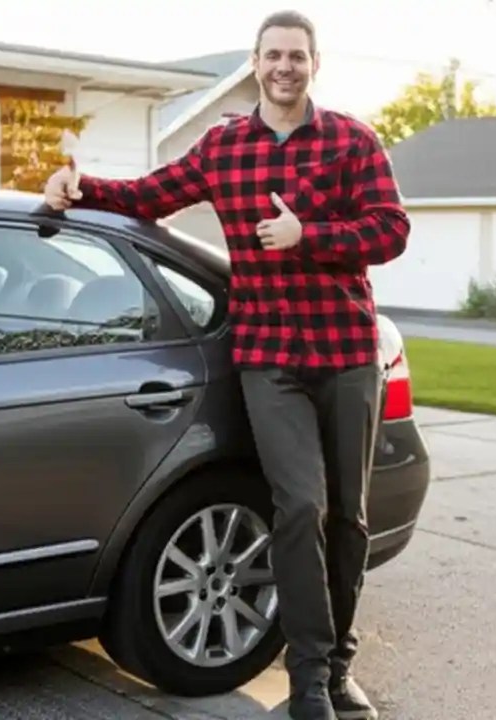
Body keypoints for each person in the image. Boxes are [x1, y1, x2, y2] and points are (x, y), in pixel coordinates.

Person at [42, 10, 409, 720]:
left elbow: (391, 229)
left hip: (345, 353)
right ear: (256, 62)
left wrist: (310, 236)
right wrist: (79, 187)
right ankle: (307, 679)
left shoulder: (352, 141)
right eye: (273, 55)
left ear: (314, 64)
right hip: (269, 356)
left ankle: (338, 667)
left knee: (350, 522)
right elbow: (151, 195)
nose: (284, 67)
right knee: (301, 507)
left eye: (297, 56)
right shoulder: (226, 146)